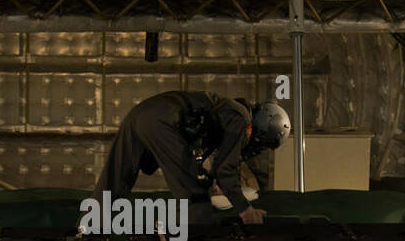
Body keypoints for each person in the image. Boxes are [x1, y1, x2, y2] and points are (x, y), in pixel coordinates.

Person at [94, 91, 290, 225]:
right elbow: (224, 169)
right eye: (263, 145)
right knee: (195, 196)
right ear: (261, 132)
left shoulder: (227, 109)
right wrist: (246, 211)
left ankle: (87, 234)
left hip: (141, 113)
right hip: (164, 121)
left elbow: (211, 161)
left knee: (114, 181)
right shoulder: (241, 120)